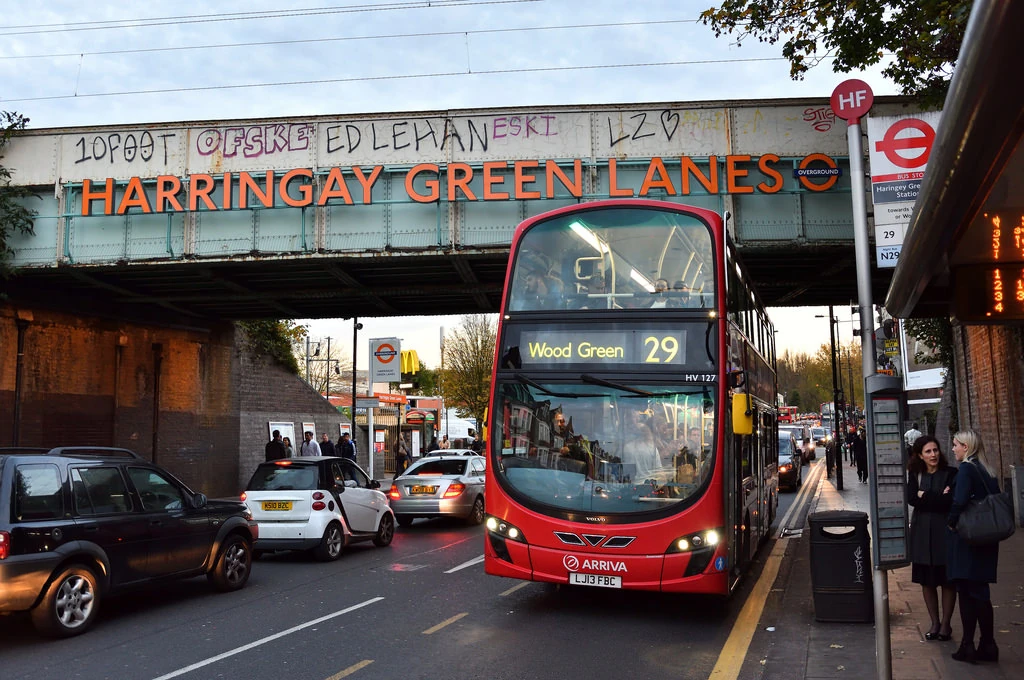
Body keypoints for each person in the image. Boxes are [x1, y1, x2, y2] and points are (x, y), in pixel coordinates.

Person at [947, 429, 1002, 664]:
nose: (953, 449)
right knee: (980, 591)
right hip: (987, 537)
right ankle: (987, 644)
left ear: (966, 447)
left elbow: (960, 500)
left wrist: (951, 521)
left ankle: (968, 645)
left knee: (967, 592)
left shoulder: (967, 469)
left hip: (969, 538)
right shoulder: (986, 469)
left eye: (956, 445)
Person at [906, 435, 958, 642]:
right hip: (921, 534)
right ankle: (934, 622)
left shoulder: (951, 473)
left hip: (944, 533)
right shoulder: (915, 474)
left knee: (947, 581)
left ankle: (946, 624)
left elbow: (949, 502)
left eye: (935, 450)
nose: (933, 454)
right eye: (928, 451)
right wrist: (934, 497)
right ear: (920, 455)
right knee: (926, 582)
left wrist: (924, 496)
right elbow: (911, 498)